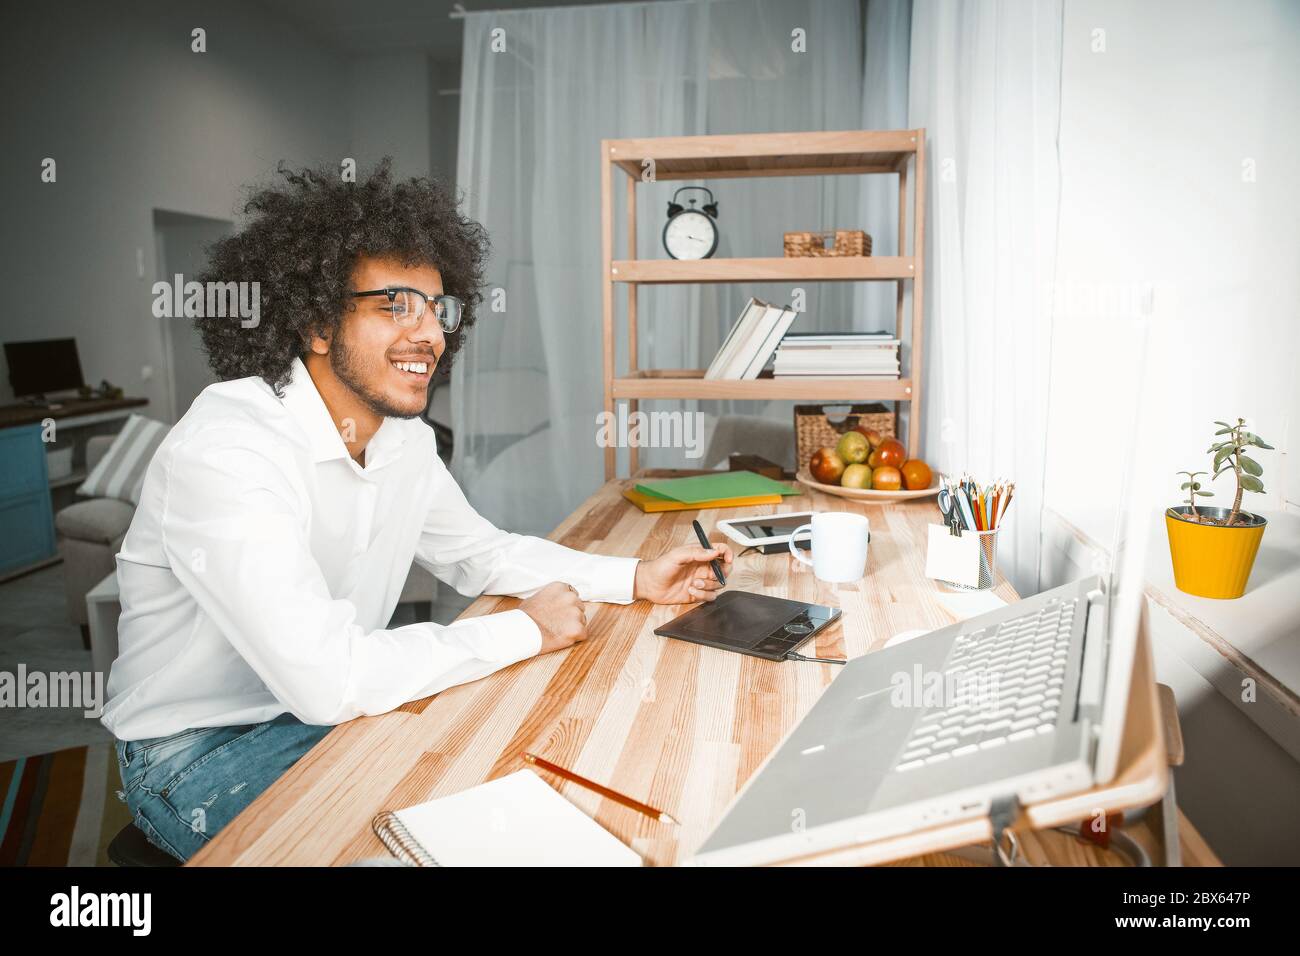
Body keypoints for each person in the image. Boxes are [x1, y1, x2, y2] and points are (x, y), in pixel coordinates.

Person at [101, 159, 733, 862]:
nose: (429, 333)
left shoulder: (402, 440)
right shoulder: (228, 448)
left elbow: (482, 552)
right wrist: (524, 629)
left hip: (328, 711)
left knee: (519, 774)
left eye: (439, 309)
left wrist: (636, 577)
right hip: (198, 751)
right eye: (394, 305)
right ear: (314, 322)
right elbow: (329, 679)